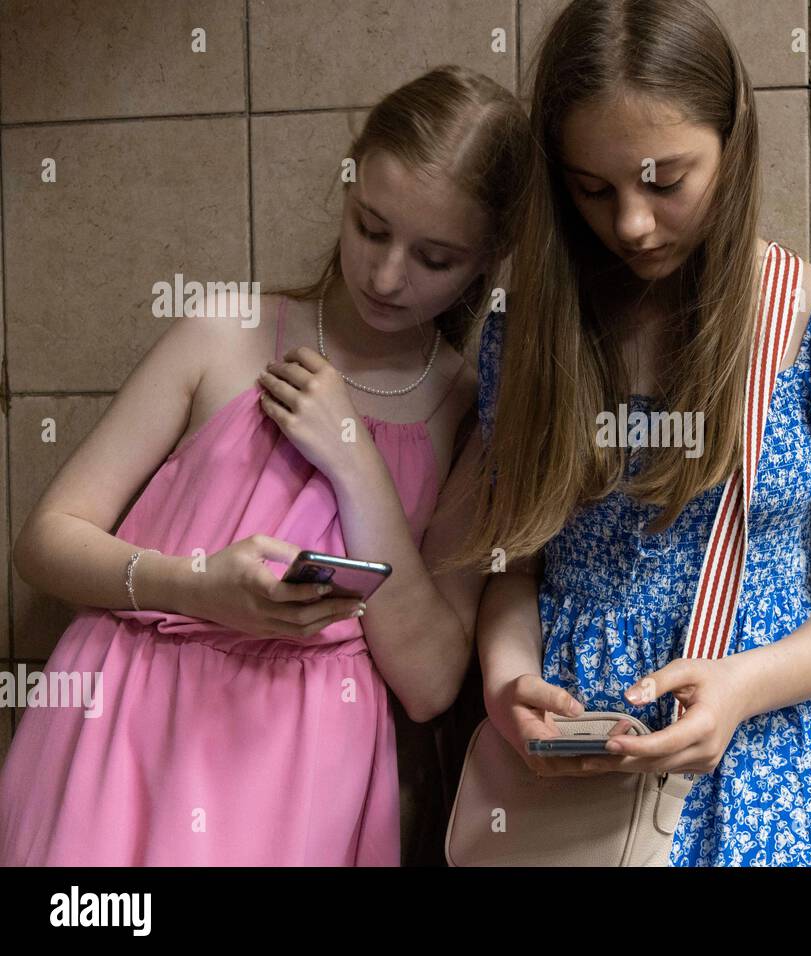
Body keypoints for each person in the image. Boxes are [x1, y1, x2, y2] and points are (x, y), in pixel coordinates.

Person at [0, 64, 529, 866]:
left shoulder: (466, 412)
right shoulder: (225, 334)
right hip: (130, 728)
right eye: (371, 227)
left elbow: (427, 681)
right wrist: (199, 589)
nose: (387, 275)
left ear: (489, 256)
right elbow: (45, 541)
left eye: (435, 258)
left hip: (302, 771)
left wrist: (355, 461)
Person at [439, 0, 811, 867]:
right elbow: (514, 560)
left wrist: (739, 687)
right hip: (578, 779)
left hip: (772, 776)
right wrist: (507, 679)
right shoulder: (531, 335)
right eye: (594, 189)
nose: (630, 222)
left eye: (665, 181)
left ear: (733, 144)